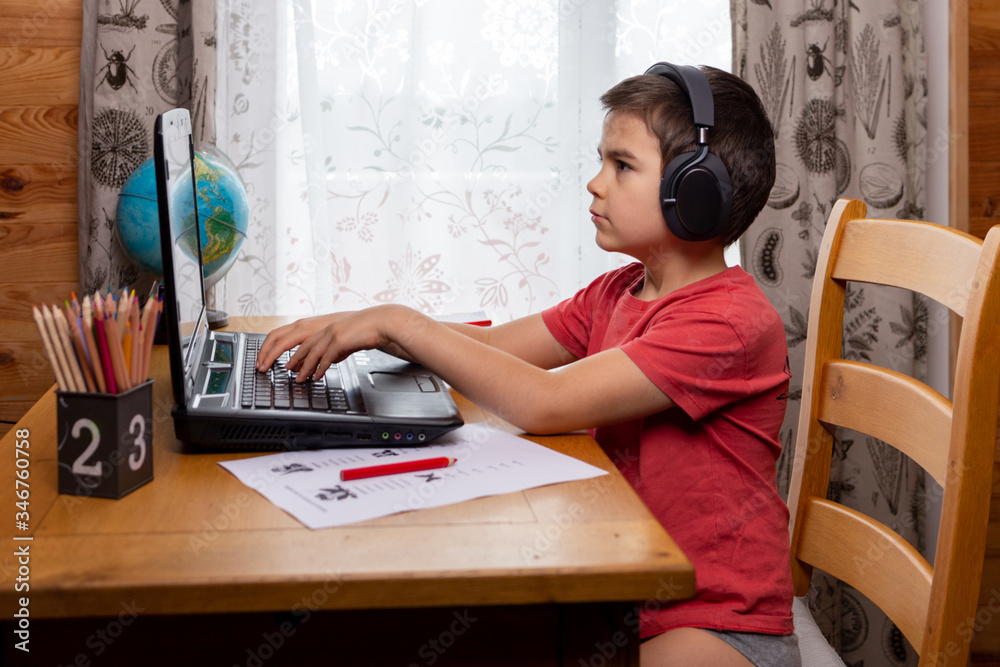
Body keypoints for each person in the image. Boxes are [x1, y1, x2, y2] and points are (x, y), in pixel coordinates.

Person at [256, 64, 797, 667]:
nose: (594, 184)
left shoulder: (725, 322)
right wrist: (362, 327)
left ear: (696, 191)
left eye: (621, 166)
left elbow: (545, 403)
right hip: (616, 598)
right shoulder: (619, 291)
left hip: (716, 623)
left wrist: (399, 322)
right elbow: (498, 351)